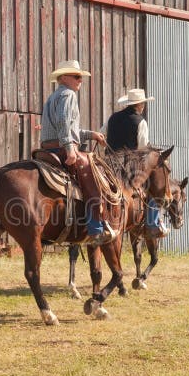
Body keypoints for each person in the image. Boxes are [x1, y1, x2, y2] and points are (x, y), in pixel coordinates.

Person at [40, 60, 115, 246]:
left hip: (48, 147)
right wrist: (69, 148)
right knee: (94, 179)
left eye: (81, 77)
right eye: (76, 76)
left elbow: (70, 128)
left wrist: (92, 135)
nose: (80, 79)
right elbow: (64, 123)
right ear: (64, 78)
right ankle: (96, 227)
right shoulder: (68, 94)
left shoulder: (54, 97)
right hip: (62, 147)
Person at [103, 88, 169, 238]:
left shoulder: (112, 118)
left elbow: (101, 135)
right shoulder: (141, 122)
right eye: (143, 104)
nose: (143, 106)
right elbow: (142, 149)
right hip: (128, 168)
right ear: (139, 105)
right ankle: (153, 224)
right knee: (154, 185)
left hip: (107, 165)